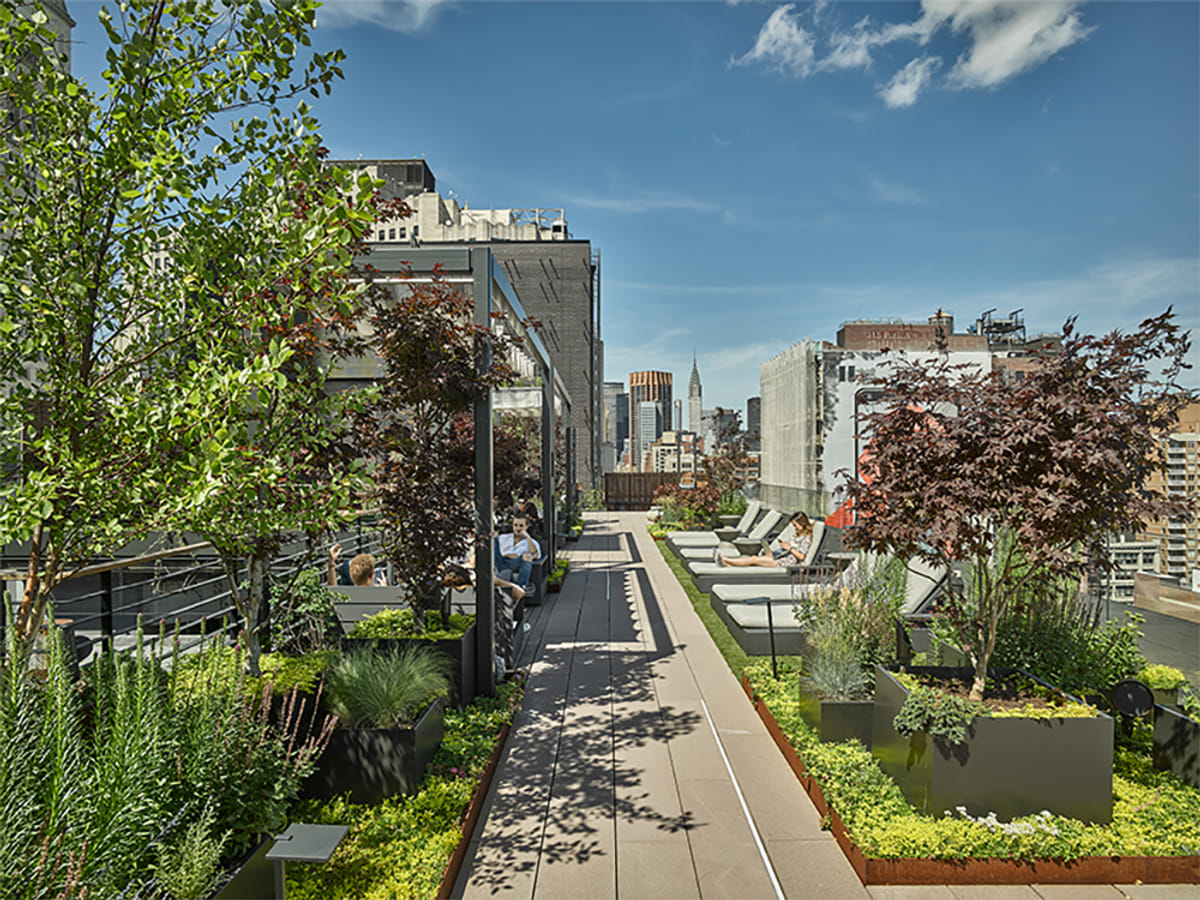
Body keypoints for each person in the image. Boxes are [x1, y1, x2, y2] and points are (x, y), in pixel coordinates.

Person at [715, 513, 814, 568]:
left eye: (796, 525)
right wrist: (784, 546)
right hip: (781, 557)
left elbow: (801, 556)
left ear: (803, 523)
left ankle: (726, 560)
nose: (795, 528)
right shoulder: (795, 535)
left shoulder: (806, 538)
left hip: (786, 563)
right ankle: (726, 562)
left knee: (753, 559)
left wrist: (790, 548)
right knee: (754, 558)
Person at [494, 513, 537, 589]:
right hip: (500, 562)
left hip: (514, 564)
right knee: (492, 539)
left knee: (527, 556)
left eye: (521, 526)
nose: (518, 528)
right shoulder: (504, 537)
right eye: (515, 525)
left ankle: (522, 586)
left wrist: (527, 537)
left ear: (526, 527)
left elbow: (535, 554)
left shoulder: (531, 542)